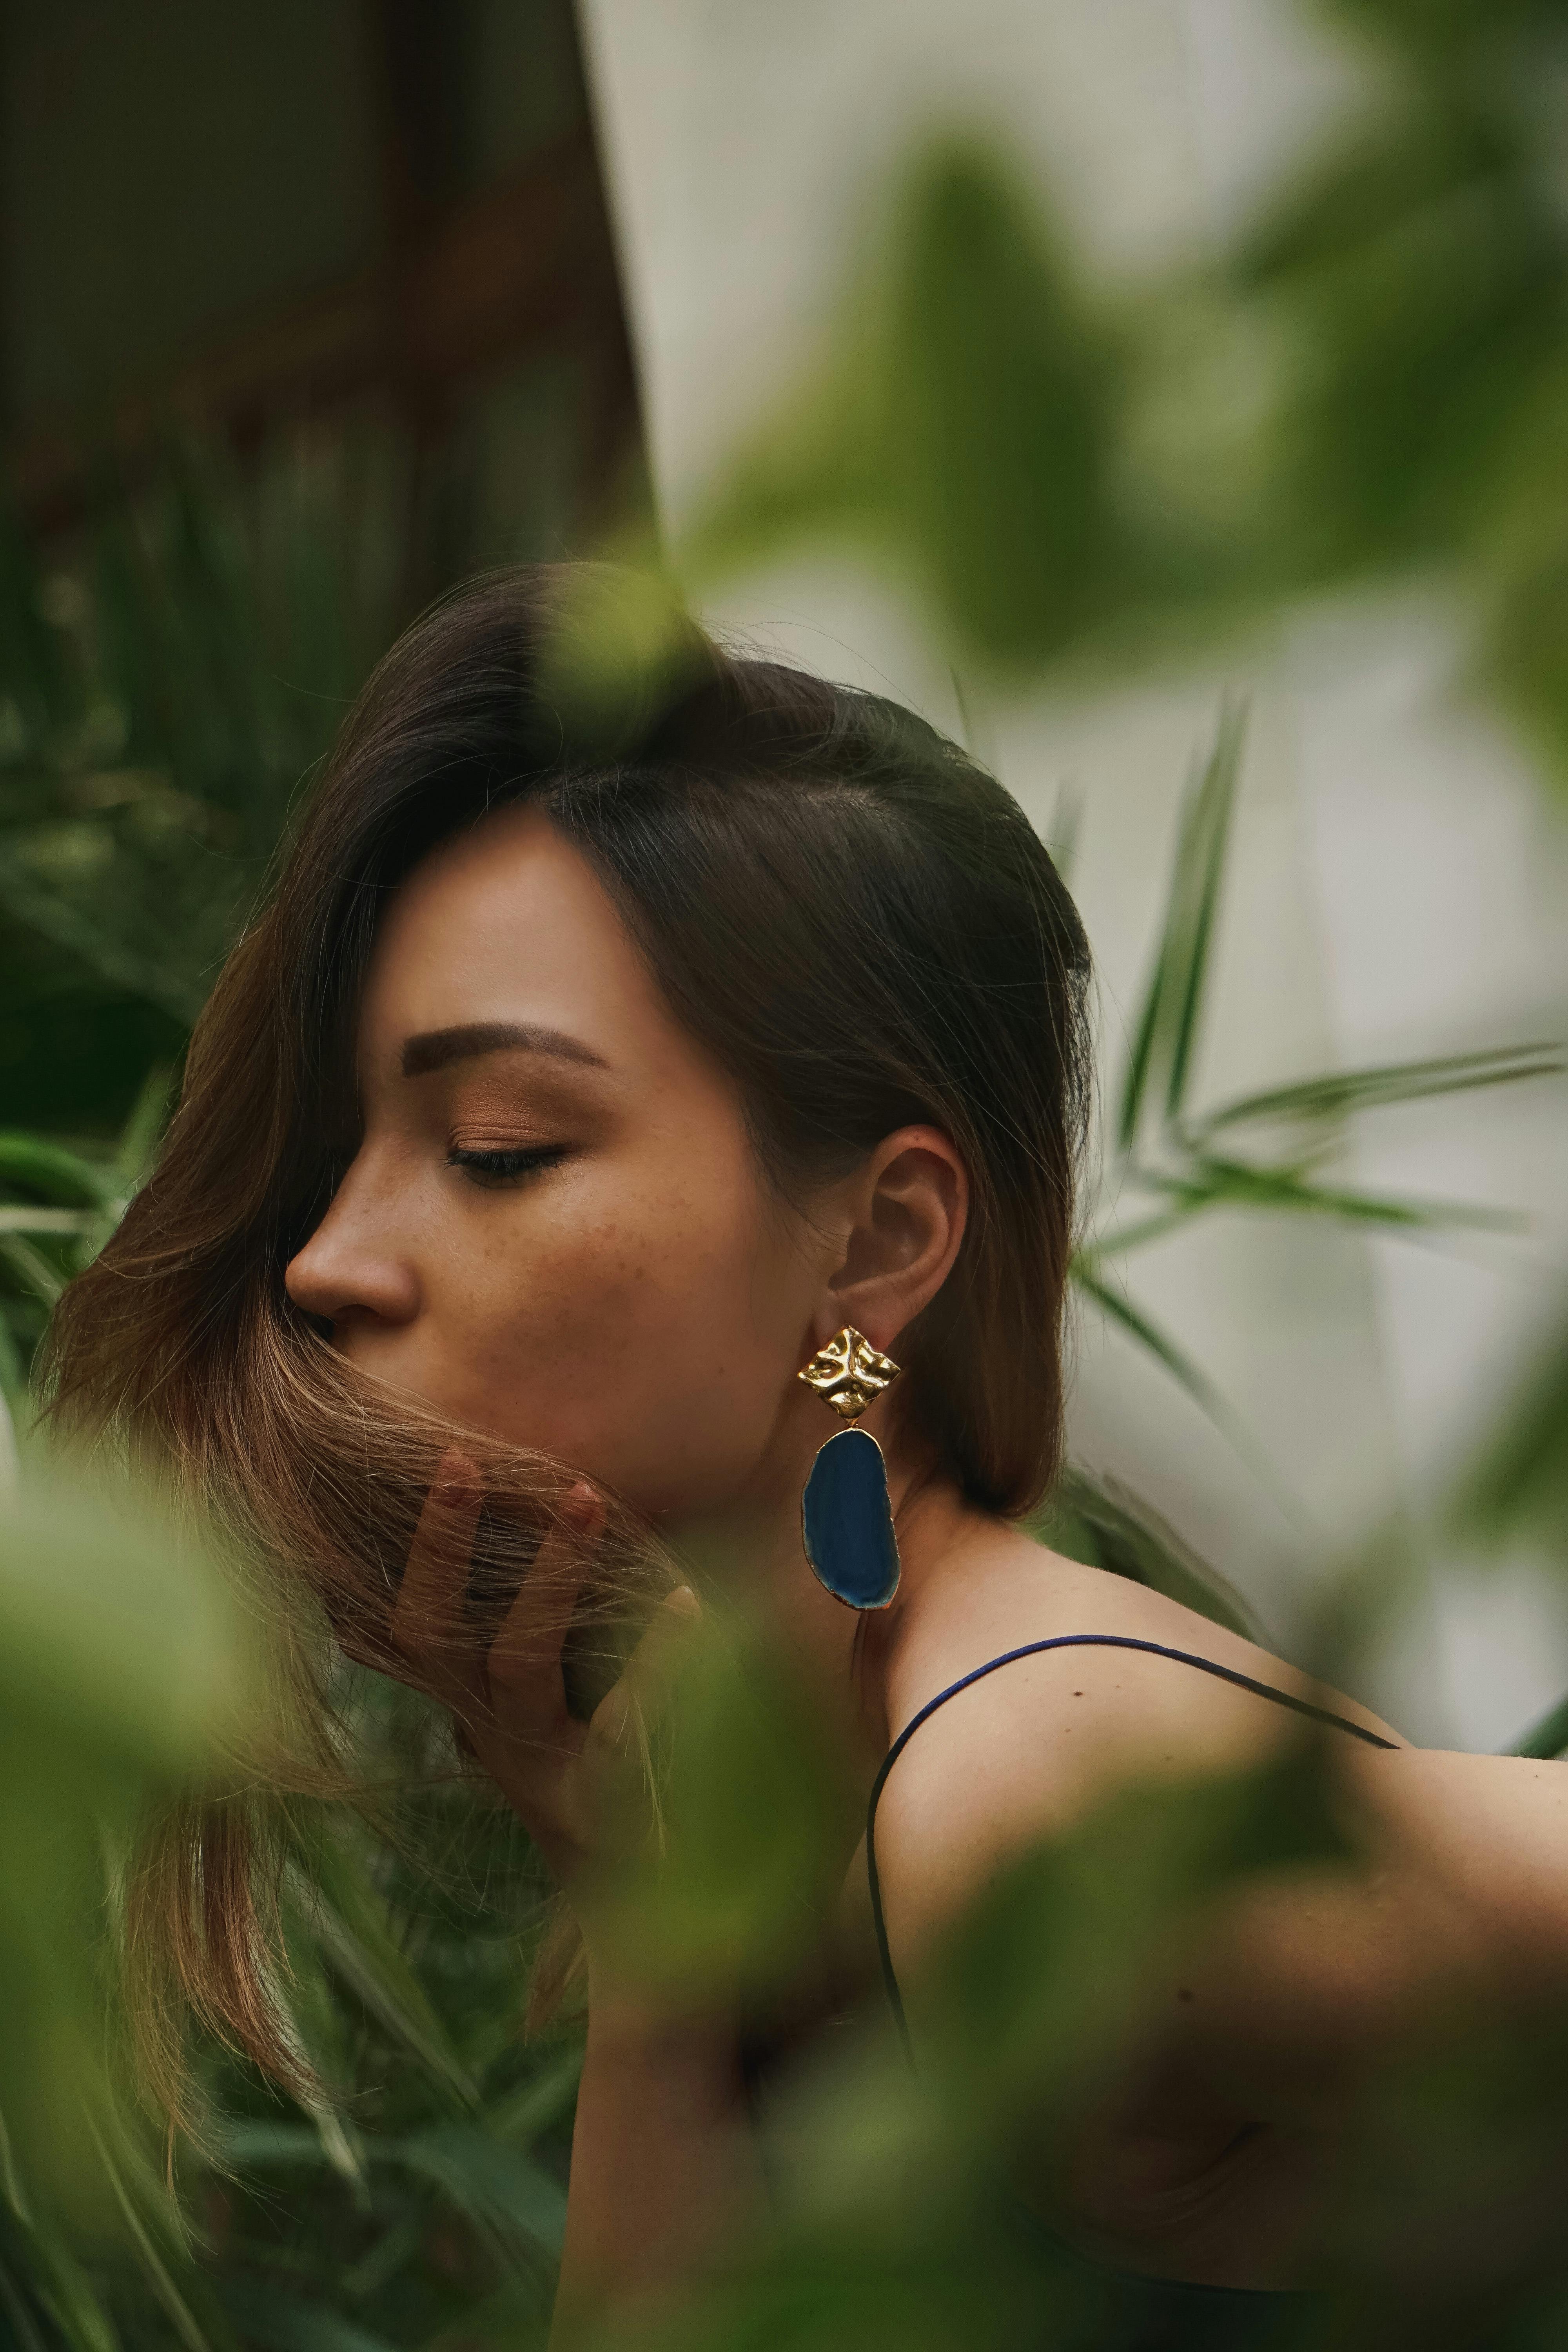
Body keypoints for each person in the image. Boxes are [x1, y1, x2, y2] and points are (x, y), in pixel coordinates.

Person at [47, 566, 1568, 2346]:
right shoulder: (812, 1792)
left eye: (499, 1146)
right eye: (344, 1154)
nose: (325, 1261)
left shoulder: (1011, 1779)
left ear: (870, 1246)